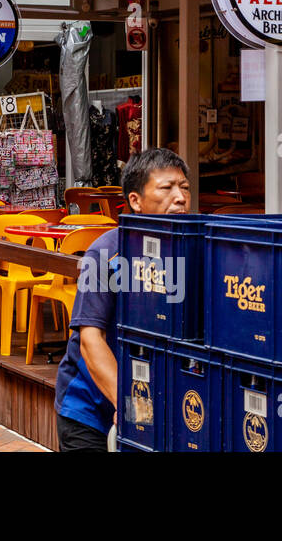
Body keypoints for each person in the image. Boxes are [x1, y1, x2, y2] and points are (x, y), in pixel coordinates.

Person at [54, 147, 190, 452]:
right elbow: (90, 340)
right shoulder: (104, 254)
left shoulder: (190, 253)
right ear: (135, 201)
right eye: (166, 188)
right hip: (89, 412)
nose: (179, 197)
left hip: (158, 410)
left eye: (184, 188)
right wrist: (129, 404)